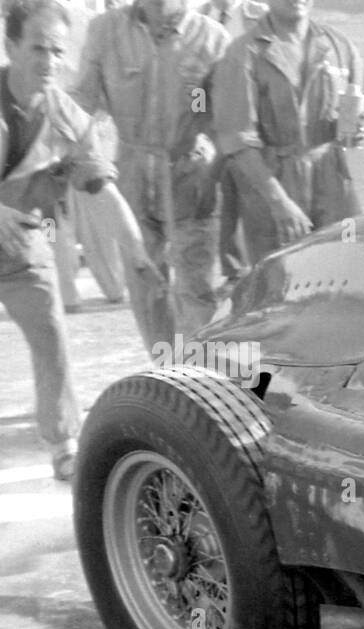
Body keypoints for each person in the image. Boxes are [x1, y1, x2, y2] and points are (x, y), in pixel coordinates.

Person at [0, 0, 155, 479]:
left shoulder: (67, 115)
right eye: (37, 48)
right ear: (10, 45)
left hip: (20, 248)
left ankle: (64, 443)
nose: (48, 61)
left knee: (52, 339)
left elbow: (100, 187)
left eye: (57, 50)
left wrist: (135, 249)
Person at [73, 0, 230, 351]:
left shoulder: (211, 37)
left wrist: (217, 171)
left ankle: (206, 383)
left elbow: (218, 115)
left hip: (191, 174)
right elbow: (81, 101)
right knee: (147, 288)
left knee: (197, 290)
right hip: (131, 175)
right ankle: (168, 377)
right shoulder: (105, 31)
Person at [211, 0, 364, 266]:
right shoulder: (242, 53)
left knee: (347, 265)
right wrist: (279, 203)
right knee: (282, 281)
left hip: (335, 187)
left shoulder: (337, 46)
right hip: (274, 189)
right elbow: (238, 141)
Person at [196, 0, 266, 284]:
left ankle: (264, 268)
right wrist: (199, 118)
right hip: (216, 121)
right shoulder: (197, 19)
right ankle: (234, 272)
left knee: (258, 200)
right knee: (224, 199)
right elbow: (196, 84)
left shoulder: (260, 15)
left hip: (256, 125)